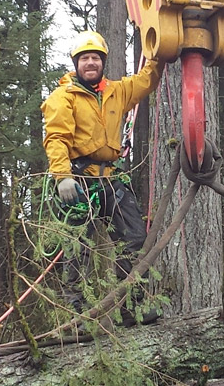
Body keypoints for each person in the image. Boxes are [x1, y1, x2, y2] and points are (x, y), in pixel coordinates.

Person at [42, 30, 161, 312]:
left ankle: (132, 305)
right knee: (76, 248)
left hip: (109, 179)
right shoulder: (64, 97)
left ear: (103, 62)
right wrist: (62, 177)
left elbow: (146, 80)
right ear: (76, 64)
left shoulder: (116, 92)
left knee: (133, 238)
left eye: (95, 58)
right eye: (85, 58)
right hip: (78, 180)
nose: (91, 63)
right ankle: (76, 313)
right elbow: (56, 138)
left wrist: (160, 50)